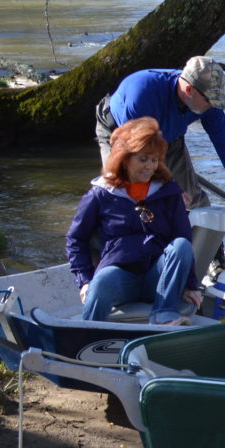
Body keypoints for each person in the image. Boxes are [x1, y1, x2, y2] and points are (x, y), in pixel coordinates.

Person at [67, 117, 202, 325]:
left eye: (155, 159)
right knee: (100, 281)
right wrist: (84, 281)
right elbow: (76, 240)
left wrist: (191, 285)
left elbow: (182, 237)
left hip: (158, 280)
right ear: (125, 158)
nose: (150, 166)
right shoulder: (100, 195)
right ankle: (88, 333)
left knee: (181, 245)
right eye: (143, 159)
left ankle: (164, 315)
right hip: (120, 280)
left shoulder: (169, 191)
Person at [94, 55, 225, 208]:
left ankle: (189, 232)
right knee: (123, 195)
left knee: (195, 201)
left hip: (171, 137)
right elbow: (138, 155)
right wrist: (168, 187)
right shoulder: (143, 94)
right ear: (189, 90)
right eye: (210, 100)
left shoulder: (209, 104)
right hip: (122, 135)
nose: (212, 105)